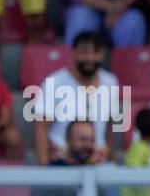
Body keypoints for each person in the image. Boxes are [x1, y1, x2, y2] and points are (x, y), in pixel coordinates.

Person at [32, 30, 122, 164]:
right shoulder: (54, 82)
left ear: (102, 55)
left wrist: (112, 159)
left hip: (98, 161)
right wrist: (44, 170)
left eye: (95, 52)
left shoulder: (110, 81)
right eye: (84, 52)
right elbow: (41, 128)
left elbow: (109, 126)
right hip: (62, 161)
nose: (90, 58)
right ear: (73, 53)